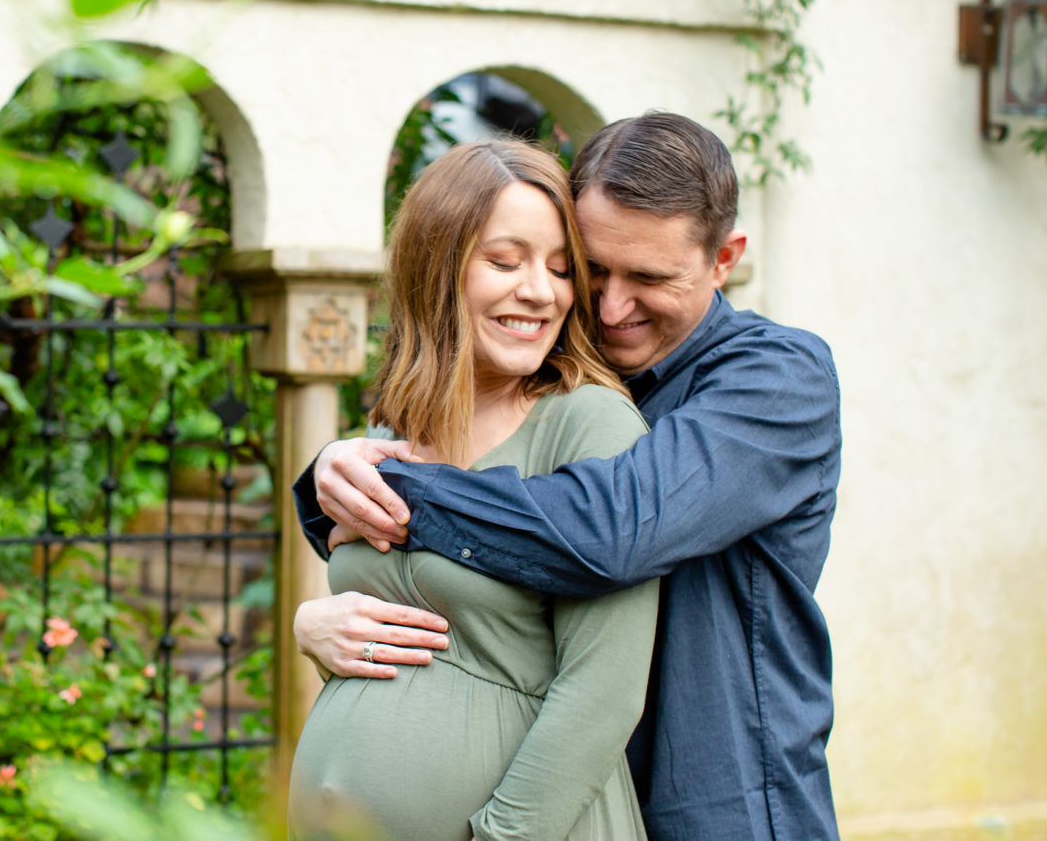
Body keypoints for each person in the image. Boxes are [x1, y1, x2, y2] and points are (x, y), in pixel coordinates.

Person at [293, 112, 843, 841]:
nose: (611, 307)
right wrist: (323, 596)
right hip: (592, 797)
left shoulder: (775, 381)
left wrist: (388, 489)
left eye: (649, 278)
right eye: (590, 270)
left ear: (724, 260)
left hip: (722, 807)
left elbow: (613, 530)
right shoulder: (546, 381)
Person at [287, 139, 660, 841]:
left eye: (561, 268)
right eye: (505, 261)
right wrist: (311, 626)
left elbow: (604, 691)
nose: (541, 291)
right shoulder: (396, 427)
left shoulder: (589, 424)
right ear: (437, 267)